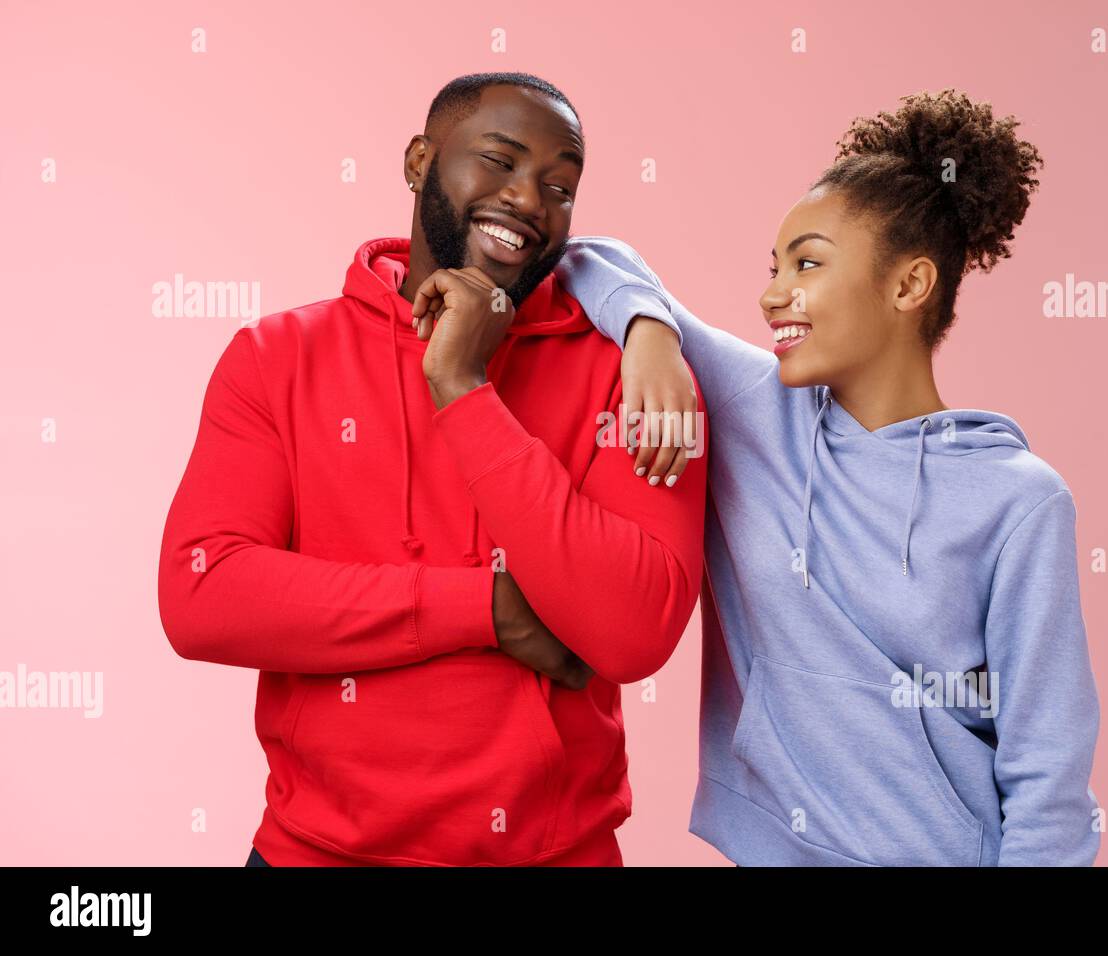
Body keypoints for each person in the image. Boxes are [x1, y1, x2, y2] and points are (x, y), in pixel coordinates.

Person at [158, 72, 708, 867]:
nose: (528, 199)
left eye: (559, 185)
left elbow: (633, 632)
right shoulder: (276, 358)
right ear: (419, 160)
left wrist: (464, 387)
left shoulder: (632, 373)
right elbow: (202, 594)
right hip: (316, 854)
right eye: (500, 161)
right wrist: (483, 608)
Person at [554, 90, 1102, 866]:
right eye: (774, 268)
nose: (773, 292)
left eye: (807, 264)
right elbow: (586, 256)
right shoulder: (754, 410)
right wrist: (650, 336)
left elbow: (1048, 768)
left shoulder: (1020, 499)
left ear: (908, 286)